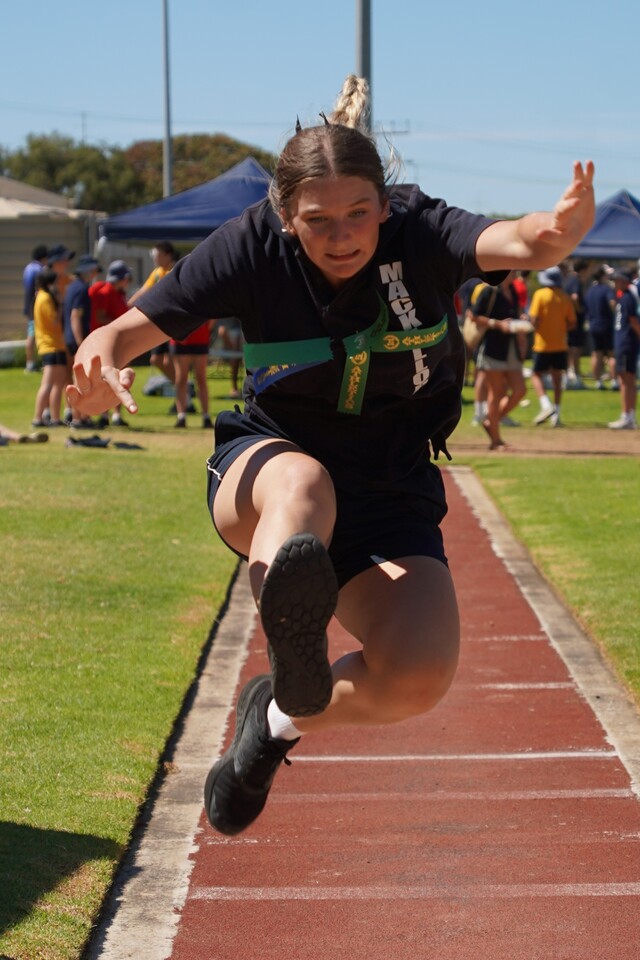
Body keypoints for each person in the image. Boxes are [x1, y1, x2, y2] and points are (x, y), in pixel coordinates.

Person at [66, 75, 595, 838]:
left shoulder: (421, 229)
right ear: (286, 217)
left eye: (358, 215)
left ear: (385, 203)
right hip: (267, 465)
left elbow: (518, 240)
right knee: (304, 483)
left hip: (391, 481)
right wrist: (99, 360)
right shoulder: (248, 244)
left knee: (417, 677)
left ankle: (277, 715)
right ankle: (292, 631)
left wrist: (556, 233)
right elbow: (125, 333)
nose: (342, 236)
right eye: (318, 222)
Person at [471, 272, 529, 449]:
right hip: (492, 348)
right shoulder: (489, 291)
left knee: (520, 390)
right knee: (495, 393)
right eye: (511, 270)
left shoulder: (512, 290)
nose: (515, 273)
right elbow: (474, 316)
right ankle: (496, 440)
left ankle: (491, 421)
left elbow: (515, 313)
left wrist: (522, 321)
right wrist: (498, 324)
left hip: (510, 347)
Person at [528, 266, 576, 427]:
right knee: (557, 379)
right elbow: (572, 322)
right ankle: (557, 414)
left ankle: (545, 404)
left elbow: (534, 319)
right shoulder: (565, 297)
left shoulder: (540, 295)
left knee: (535, 375)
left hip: (542, 344)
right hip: (560, 344)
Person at [89, 260, 133, 427]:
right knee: (107, 378)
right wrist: (119, 323)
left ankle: (116, 414)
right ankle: (105, 414)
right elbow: (100, 316)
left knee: (120, 376)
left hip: (119, 341)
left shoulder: (119, 293)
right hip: (106, 342)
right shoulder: (106, 292)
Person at [128, 241, 179, 382]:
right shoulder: (157, 273)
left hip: (173, 322)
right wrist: (128, 306)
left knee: (171, 361)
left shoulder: (175, 271)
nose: (155, 259)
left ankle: (183, 395)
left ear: (168, 256)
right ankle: (184, 390)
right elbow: (144, 291)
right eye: (154, 256)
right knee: (156, 359)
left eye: (158, 255)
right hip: (160, 322)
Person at [63, 254, 102, 428]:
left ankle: (75, 414)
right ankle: (80, 418)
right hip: (76, 339)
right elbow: (75, 316)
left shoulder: (72, 287)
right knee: (82, 380)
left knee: (75, 378)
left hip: (69, 338)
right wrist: (81, 344)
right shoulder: (80, 289)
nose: (95, 274)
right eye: (94, 271)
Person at [32, 269, 66, 427]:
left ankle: (55, 417)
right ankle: (37, 418)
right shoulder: (44, 298)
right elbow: (54, 322)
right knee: (47, 384)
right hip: (49, 345)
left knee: (59, 384)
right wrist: (60, 307)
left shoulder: (43, 296)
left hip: (56, 344)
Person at [608, 268, 639, 429]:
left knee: (626, 380)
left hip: (626, 342)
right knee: (626, 379)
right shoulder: (622, 297)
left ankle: (627, 415)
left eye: (617, 280)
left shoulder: (627, 297)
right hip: (623, 342)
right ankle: (629, 415)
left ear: (625, 281)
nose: (615, 283)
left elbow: (633, 321)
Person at [170, 320, 214, 429]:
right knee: (181, 378)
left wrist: (206, 327)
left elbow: (212, 317)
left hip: (200, 338)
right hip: (180, 338)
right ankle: (181, 416)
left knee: (201, 378)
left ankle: (206, 416)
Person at [584, 266, 616, 389]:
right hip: (606, 324)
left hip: (593, 325)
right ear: (603, 276)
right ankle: (614, 381)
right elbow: (612, 303)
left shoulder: (590, 291)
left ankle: (598, 382)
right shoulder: (607, 289)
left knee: (596, 354)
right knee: (612, 354)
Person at [563, 258, 589, 388]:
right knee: (576, 348)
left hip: (567, 319)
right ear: (583, 270)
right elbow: (574, 297)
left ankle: (568, 375)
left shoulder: (567, 280)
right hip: (575, 320)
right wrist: (579, 310)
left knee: (569, 347)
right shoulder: (575, 280)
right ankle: (576, 376)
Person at [22, 244, 49, 372]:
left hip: (29, 306)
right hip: (37, 306)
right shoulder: (39, 269)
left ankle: (30, 362)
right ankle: (43, 362)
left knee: (31, 334)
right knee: (35, 334)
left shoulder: (28, 268)